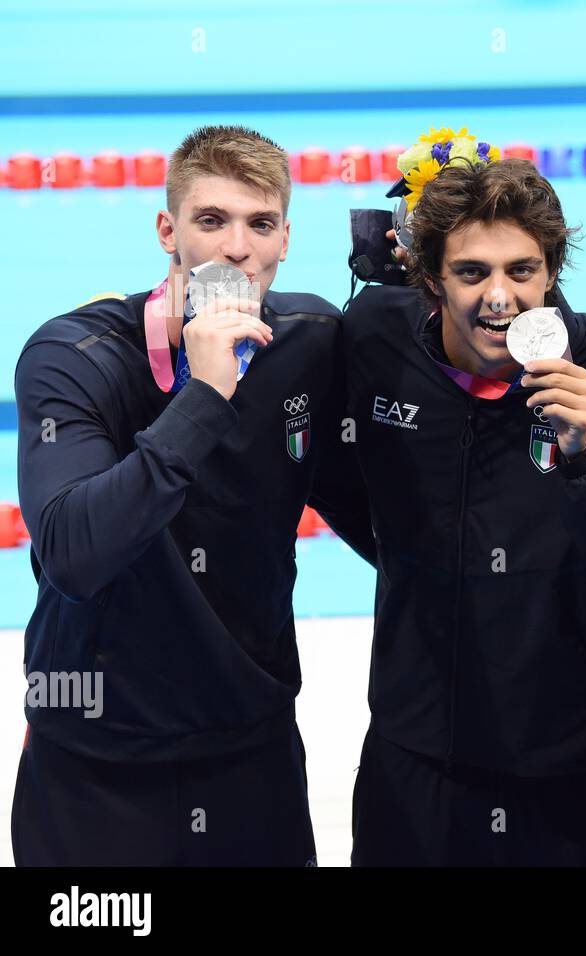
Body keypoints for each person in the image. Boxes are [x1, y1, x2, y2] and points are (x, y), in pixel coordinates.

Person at [11, 124, 361, 865]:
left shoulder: (308, 339)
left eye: (260, 224)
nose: (238, 248)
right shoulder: (75, 357)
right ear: (167, 230)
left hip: (251, 750)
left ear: (286, 239)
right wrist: (204, 392)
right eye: (212, 221)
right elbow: (75, 553)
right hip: (99, 761)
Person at [335, 127, 586, 865]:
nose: (501, 297)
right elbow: (334, 483)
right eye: (472, 272)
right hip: (413, 766)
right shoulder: (374, 339)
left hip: (566, 778)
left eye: (523, 269)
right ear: (429, 277)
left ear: (553, 268)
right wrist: (418, 558)